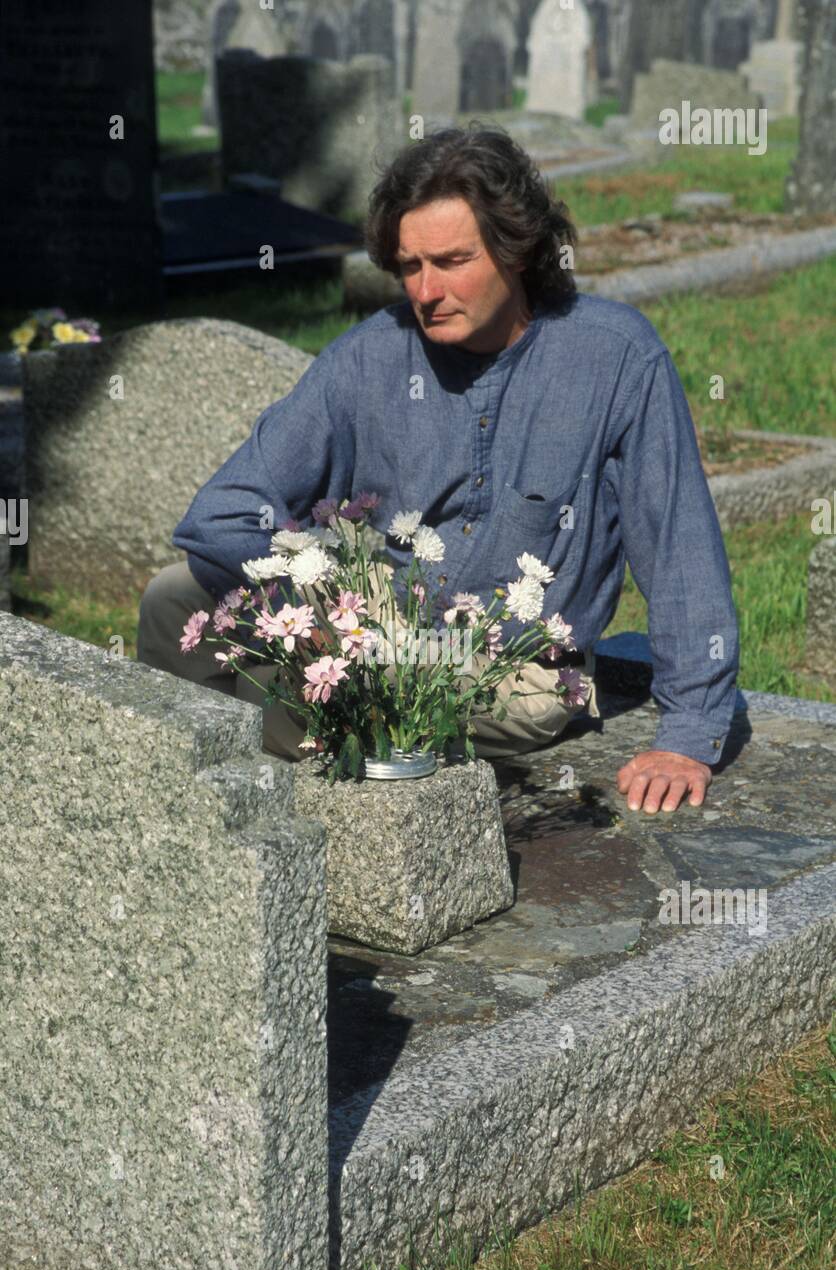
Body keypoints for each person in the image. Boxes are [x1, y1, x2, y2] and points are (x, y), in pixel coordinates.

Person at [137, 124, 739, 816]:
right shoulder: (370, 357)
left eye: (452, 261)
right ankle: (190, 819)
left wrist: (689, 733)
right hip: (366, 628)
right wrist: (316, 603)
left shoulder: (615, 358)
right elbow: (221, 512)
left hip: (511, 670)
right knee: (172, 599)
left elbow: (678, 546)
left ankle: (292, 824)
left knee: (280, 686)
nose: (427, 290)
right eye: (410, 266)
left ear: (518, 249)